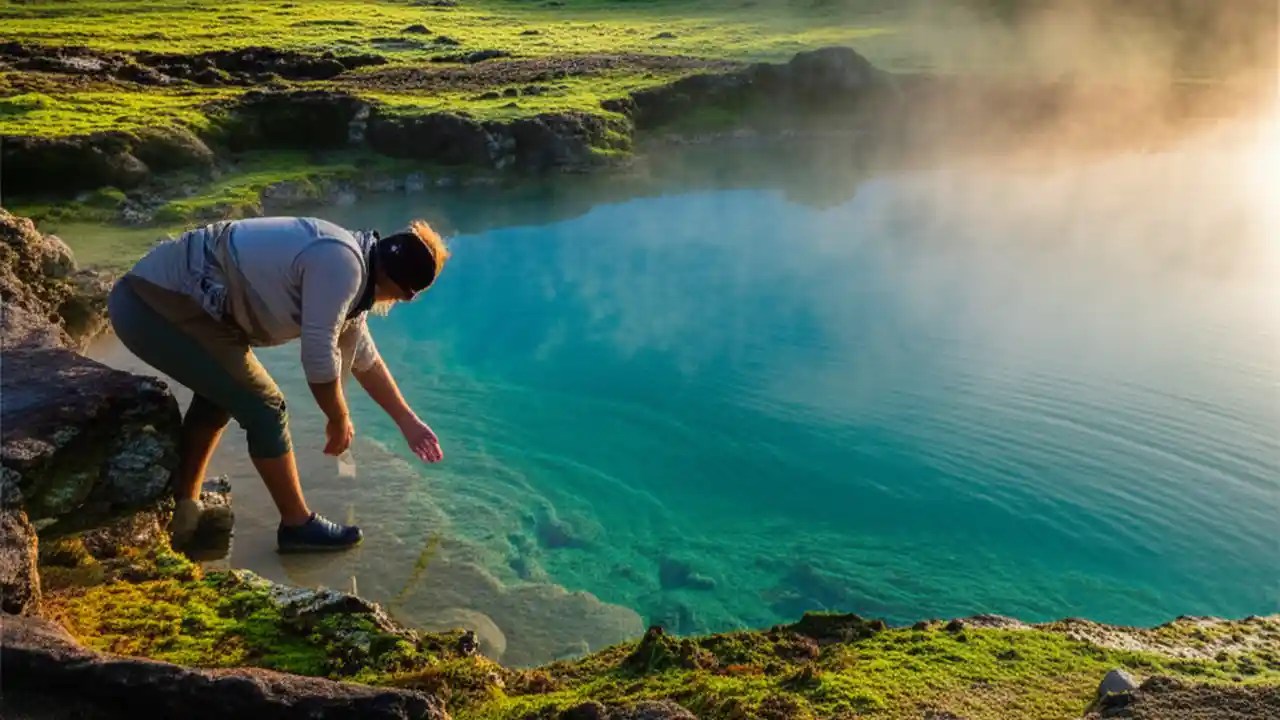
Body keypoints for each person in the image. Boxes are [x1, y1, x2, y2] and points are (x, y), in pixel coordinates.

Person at [107, 216, 448, 552]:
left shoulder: (353, 260)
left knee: (224, 393)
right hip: (152, 305)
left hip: (161, 303)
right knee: (266, 407)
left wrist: (408, 421)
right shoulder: (342, 266)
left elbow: (363, 357)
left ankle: (185, 508)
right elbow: (318, 354)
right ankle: (296, 524)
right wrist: (338, 416)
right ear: (402, 292)